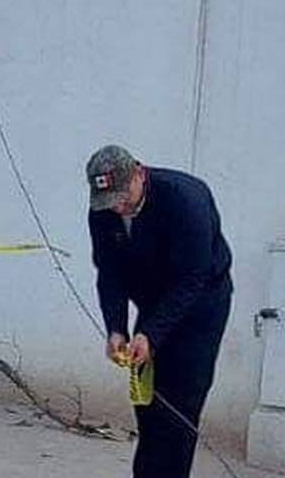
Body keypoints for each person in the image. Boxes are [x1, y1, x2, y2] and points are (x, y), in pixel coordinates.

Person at [85, 146, 232, 478]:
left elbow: (192, 278)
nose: (118, 207)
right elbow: (109, 272)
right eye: (110, 202)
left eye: (123, 197)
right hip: (152, 302)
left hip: (200, 304)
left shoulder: (185, 199)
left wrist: (151, 334)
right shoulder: (103, 211)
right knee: (147, 402)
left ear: (139, 172)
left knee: (179, 403)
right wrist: (117, 329)